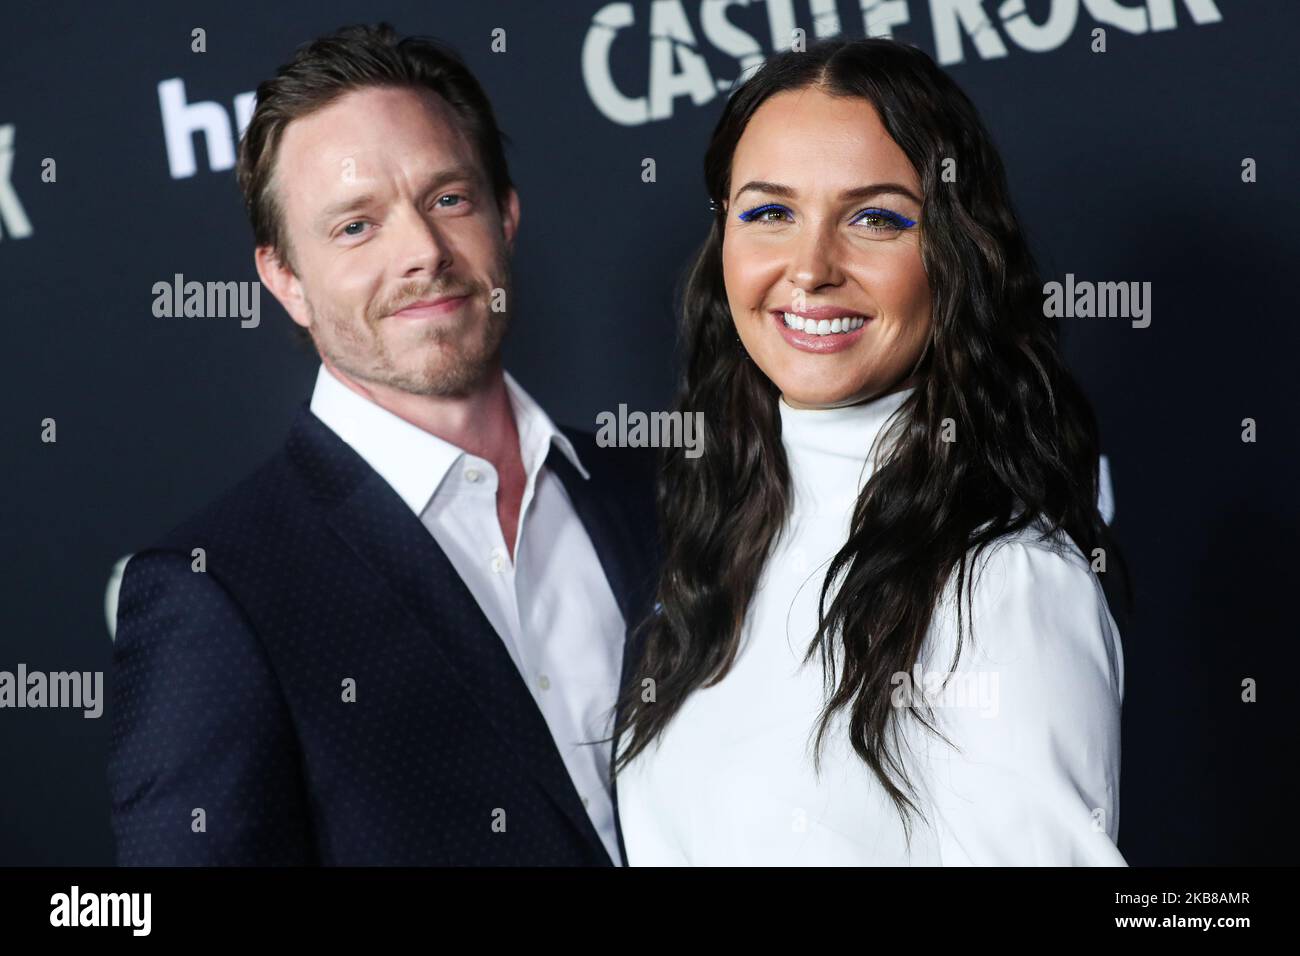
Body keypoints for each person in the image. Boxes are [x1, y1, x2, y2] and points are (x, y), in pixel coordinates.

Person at [107, 23, 655, 866]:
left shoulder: (661, 490)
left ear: (505, 216)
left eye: (447, 199)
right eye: (356, 227)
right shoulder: (214, 596)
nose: (422, 253)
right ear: (285, 279)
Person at [611, 37, 1132, 866]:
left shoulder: (1001, 580)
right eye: (769, 212)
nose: (810, 268)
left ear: (952, 257)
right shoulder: (720, 539)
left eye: (875, 218)